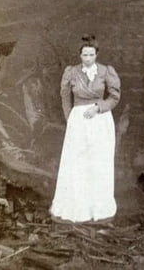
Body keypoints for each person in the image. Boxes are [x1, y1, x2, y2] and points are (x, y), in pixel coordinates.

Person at [50, 34, 121, 223]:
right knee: (77, 163)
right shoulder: (71, 72)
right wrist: (72, 118)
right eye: (84, 55)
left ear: (96, 54)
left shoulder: (106, 72)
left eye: (91, 55)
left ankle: (98, 208)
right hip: (79, 121)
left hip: (100, 120)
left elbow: (114, 97)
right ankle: (78, 208)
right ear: (80, 55)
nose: (87, 59)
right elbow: (65, 96)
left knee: (98, 162)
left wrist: (99, 108)